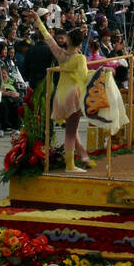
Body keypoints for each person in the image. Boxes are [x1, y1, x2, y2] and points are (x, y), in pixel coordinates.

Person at [35, 14, 92, 173]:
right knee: (70, 132)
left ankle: (80, 158)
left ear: (68, 40)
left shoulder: (61, 55)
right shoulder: (80, 58)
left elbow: (48, 38)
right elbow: (84, 76)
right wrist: (103, 71)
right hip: (72, 96)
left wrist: (38, 20)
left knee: (70, 130)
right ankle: (70, 165)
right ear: (80, 43)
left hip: (59, 95)